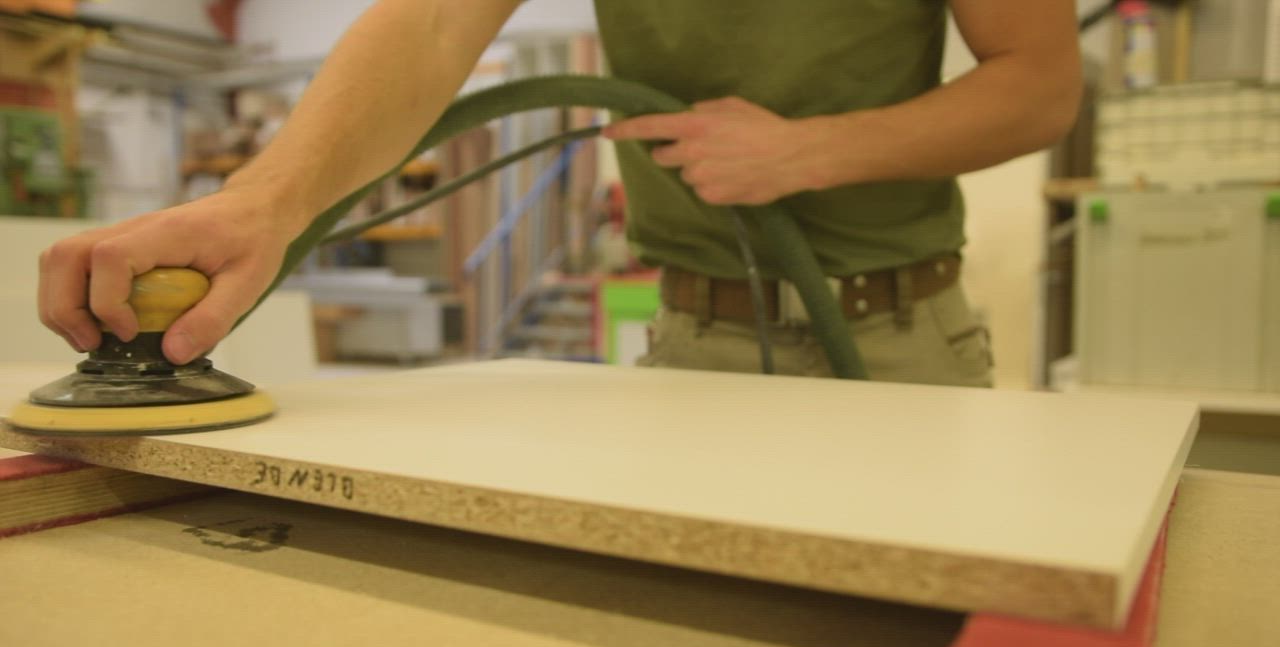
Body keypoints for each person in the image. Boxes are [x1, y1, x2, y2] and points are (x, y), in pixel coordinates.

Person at [37, 0, 1081, 387]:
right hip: (692, 344)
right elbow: (434, 22)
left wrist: (802, 152)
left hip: (894, 336)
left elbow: (1038, 87)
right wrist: (262, 203)